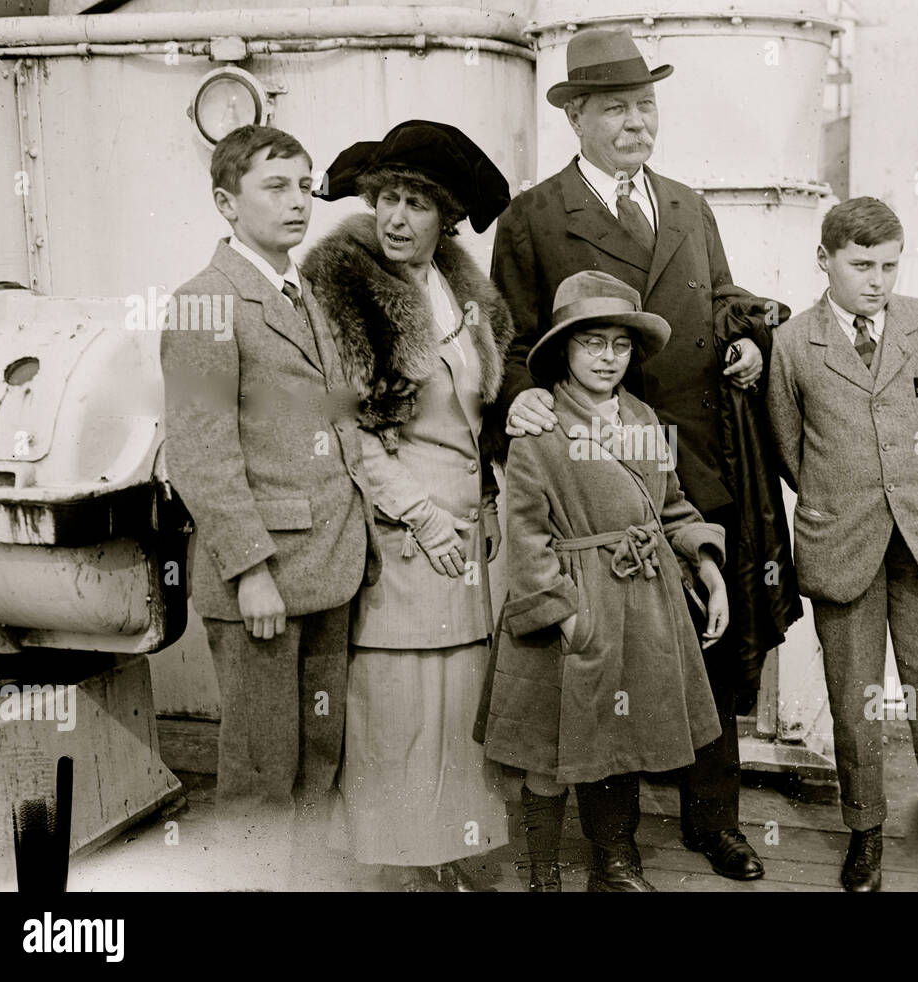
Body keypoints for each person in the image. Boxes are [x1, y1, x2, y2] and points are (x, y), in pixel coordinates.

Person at [490, 26, 799, 882]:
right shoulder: (534, 218)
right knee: (605, 668)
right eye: (618, 108)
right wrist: (520, 399)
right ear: (577, 117)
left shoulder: (688, 205)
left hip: (693, 470)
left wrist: (748, 345)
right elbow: (513, 343)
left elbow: (725, 298)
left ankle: (715, 821)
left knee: (713, 649)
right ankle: (615, 846)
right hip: (591, 477)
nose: (637, 123)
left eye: (647, 105)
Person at [160, 124, 381, 890]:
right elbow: (200, 452)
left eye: (304, 183)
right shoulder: (202, 305)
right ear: (226, 203)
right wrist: (251, 569)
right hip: (264, 581)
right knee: (260, 771)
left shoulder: (305, 292)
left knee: (319, 757)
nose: (299, 201)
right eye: (275, 187)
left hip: (328, 569)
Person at [303, 120, 515, 891]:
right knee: (396, 702)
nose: (395, 218)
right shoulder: (341, 286)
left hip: (468, 522)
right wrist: (419, 516)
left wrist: (484, 504)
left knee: (459, 700)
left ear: (446, 217)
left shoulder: (459, 285)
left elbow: (474, 414)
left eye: (415, 204)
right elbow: (345, 429)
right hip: (399, 528)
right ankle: (395, 866)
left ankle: (447, 852)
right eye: (385, 199)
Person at [766, 197, 918, 892]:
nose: (878, 281)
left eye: (890, 266)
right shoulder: (791, 343)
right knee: (854, 699)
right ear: (825, 260)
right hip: (843, 545)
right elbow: (789, 449)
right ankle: (864, 833)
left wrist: (909, 488)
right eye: (862, 265)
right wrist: (848, 496)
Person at [478, 270, 729, 892]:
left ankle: (613, 861)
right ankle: (541, 869)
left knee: (619, 740)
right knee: (551, 749)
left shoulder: (645, 418)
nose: (606, 357)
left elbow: (670, 508)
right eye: (591, 342)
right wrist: (565, 614)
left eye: (619, 344)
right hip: (574, 600)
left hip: (643, 601)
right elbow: (527, 534)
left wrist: (707, 566)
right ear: (564, 347)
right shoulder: (538, 427)